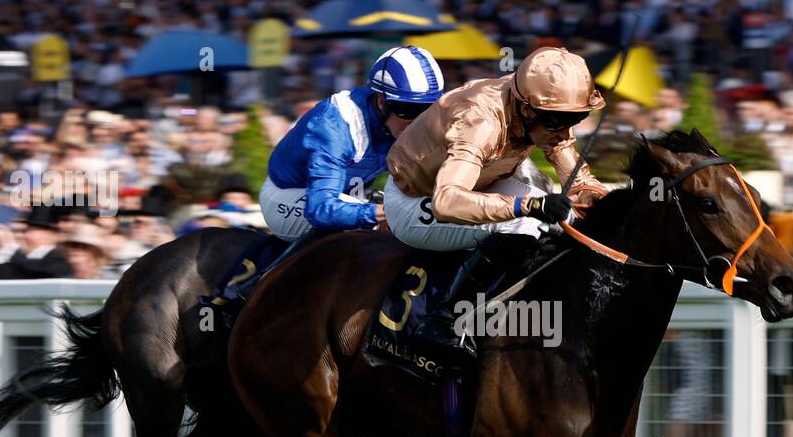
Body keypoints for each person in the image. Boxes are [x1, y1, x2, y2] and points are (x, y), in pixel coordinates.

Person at [383, 45, 608, 346]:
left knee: (563, 215)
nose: (565, 131)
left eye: (575, 120)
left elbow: (575, 173)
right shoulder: (481, 121)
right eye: (558, 122)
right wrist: (526, 205)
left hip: (479, 185)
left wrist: (596, 197)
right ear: (528, 111)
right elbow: (446, 202)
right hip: (416, 200)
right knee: (526, 222)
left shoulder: (536, 107)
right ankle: (445, 321)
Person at [213, 45, 446, 310]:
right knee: (357, 230)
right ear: (381, 102)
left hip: (350, 191)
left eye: (428, 110)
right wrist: (388, 212)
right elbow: (321, 209)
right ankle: (249, 291)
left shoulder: (407, 122)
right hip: (292, 197)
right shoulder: (335, 126)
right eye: (407, 110)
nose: (417, 121)